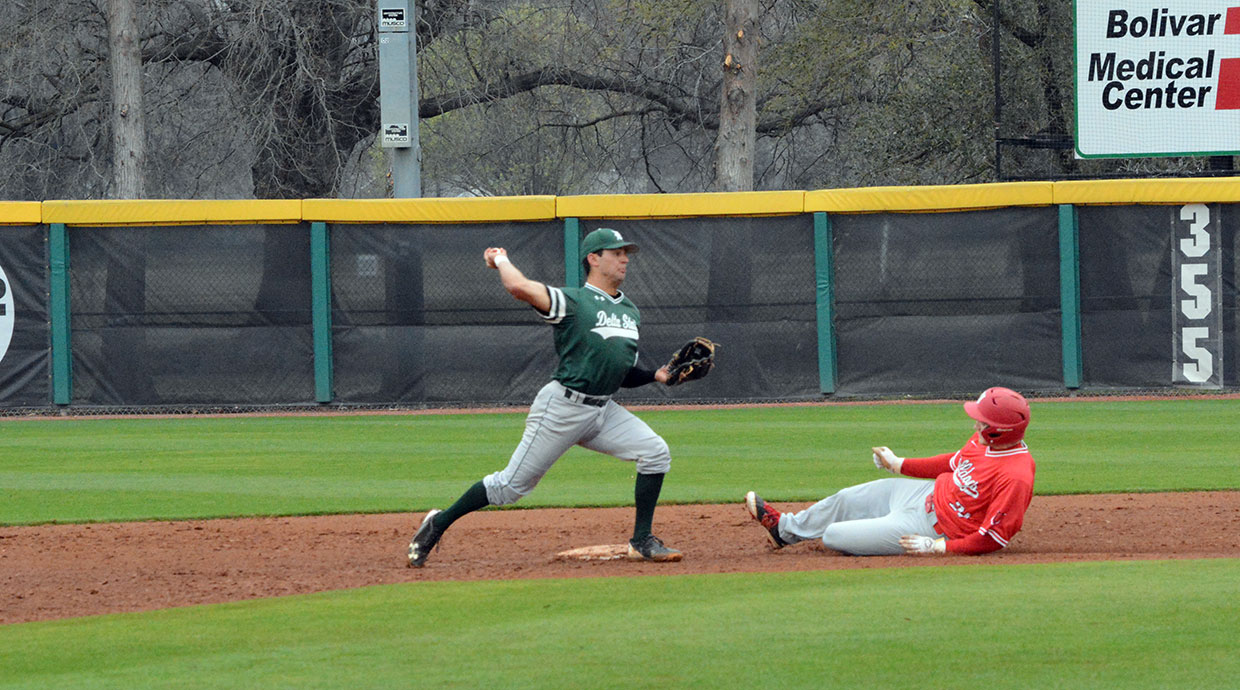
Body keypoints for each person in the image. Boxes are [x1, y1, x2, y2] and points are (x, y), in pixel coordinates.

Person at [408, 228, 686, 567]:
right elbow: (518, 287)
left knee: (655, 452)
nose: (625, 258)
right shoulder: (573, 301)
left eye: (625, 252)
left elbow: (619, 372)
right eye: (615, 253)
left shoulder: (629, 311)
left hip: (603, 410)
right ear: (593, 258)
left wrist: (656, 376)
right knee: (509, 488)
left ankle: (642, 539)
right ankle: (439, 522)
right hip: (563, 407)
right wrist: (501, 259)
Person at [745, 387, 1035, 556]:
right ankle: (784, 530)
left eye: (982, 422)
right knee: (846, 499)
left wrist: (938, 547)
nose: (975, 425)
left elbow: (994, 538)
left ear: (1000, 431)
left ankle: (882, 526)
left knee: (834, 536)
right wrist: (897, 464)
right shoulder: (982, 442)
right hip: (923, 494)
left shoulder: (1015, 476)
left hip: (933, 530)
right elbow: (950, 463)